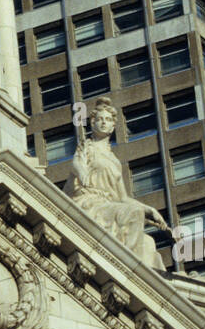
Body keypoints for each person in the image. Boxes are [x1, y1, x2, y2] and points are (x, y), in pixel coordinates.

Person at [65, 96, 169, 270]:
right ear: (92, 123)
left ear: (113, 126)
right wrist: (82, 172)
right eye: (99, 119)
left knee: (148, 242)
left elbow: (123, 198)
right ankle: (125, 267)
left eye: (107, 120)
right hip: (89, 203)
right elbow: (76, 163)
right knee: (134, 213)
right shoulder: (87, 147)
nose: (103, 123)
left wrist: (149, 210)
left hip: (108, 206)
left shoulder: (114, 161)